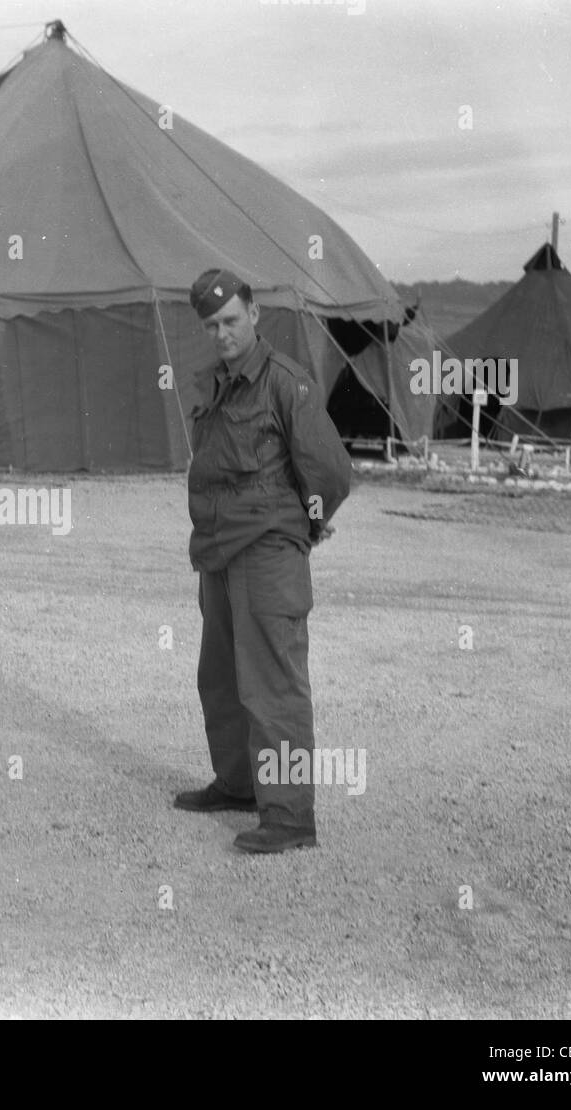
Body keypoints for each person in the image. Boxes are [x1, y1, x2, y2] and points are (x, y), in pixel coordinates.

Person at [173, 268, 351, 853]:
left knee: (272, 685)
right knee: (220, 678)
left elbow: (329, 469)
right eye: (211, 325)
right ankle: (238, 784)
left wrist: (309, 523)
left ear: (254, 314)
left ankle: (290, 816)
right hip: (219, 553)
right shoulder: (215, 383)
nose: (222, 334)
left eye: (230, 320)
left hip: (269, 553)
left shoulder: (285, 383)